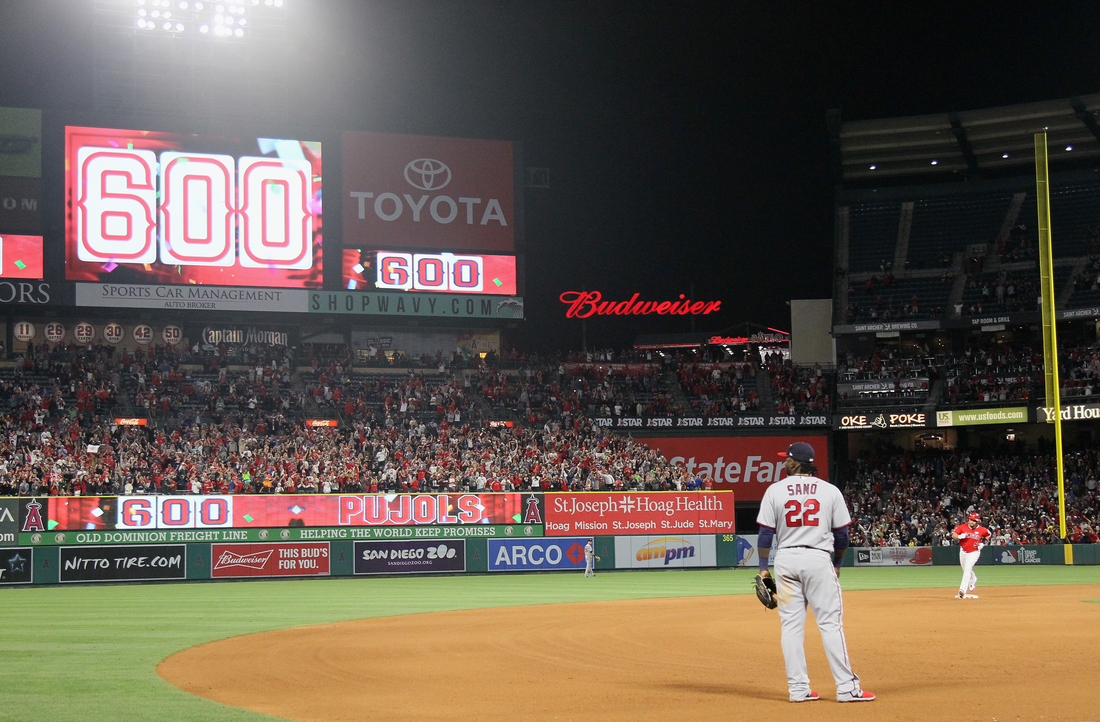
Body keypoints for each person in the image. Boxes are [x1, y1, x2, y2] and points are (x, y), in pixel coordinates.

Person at [756, 442, 874, 703]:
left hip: (785, 561)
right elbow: (841, 535)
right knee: (830, 624)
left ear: (796, 462)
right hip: (818, 559)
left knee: (790, 627)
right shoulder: (830, 491)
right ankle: (847, 688)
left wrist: (764, 569)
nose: (784, 462)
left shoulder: (775, 490)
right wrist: (838, 564)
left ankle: (798, 689)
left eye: (786, 458)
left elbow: (765, 534)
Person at [951, 512, 990, 599]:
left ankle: (962, 590)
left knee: (967, 569)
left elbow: (989, 535)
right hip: (963, 551)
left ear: (977, 521)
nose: (971, 522)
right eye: (971, 520)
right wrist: (959, 537)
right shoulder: (962, 527)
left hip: (974, 552)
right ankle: (973, 579)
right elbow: (954, 535)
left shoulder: (982, 530)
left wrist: (983, 543)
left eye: (974, 520)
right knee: (965, 569)